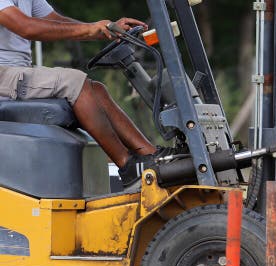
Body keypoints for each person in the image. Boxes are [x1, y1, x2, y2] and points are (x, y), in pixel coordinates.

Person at [0, 0, 163, 189]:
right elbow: (26, 27)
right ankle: (127, 166)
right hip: (4, 76)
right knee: (76, 82)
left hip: (17, 72)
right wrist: (89, 29)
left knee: (97, 90)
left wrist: (105, 30)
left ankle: (152, 156)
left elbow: (57, 22)